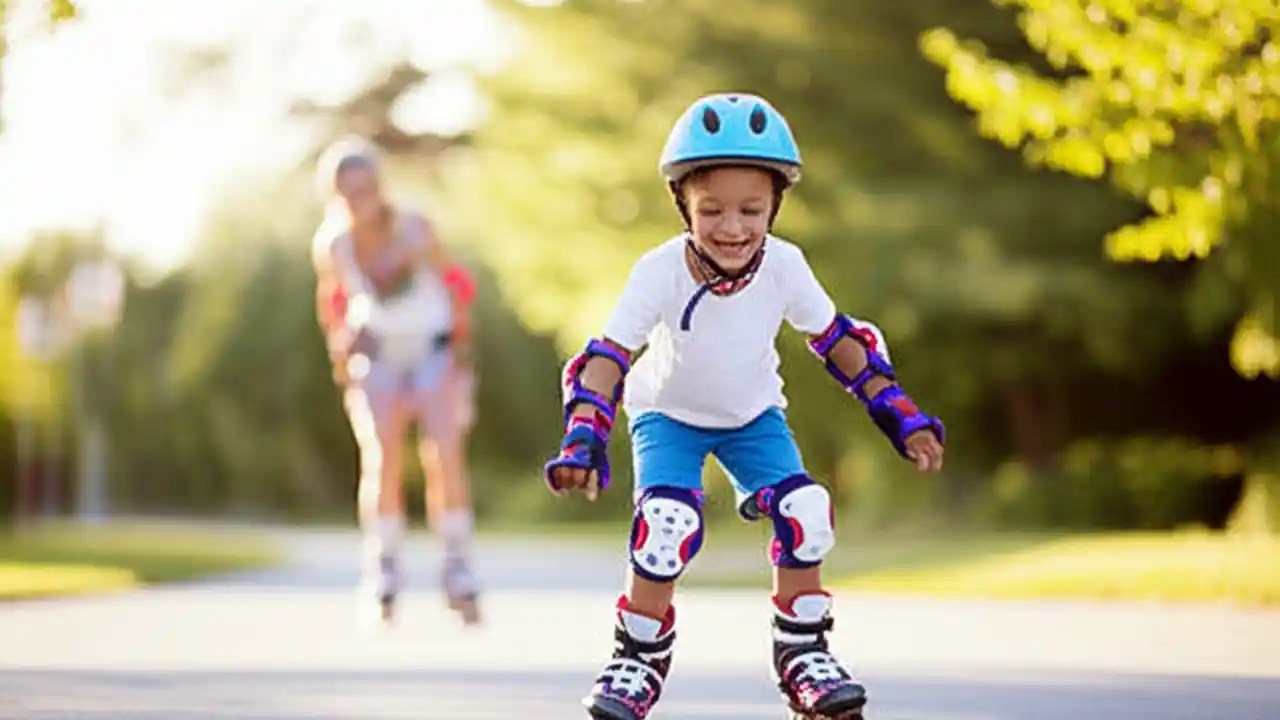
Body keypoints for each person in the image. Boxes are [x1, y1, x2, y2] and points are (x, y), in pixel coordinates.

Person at [544, 94, 945, 719]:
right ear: (684, 205)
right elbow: (609, 356)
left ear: (775, 206)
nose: (733, 227)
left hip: (754, 415)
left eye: (751, 210)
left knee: (806, 509)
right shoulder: (657, 271)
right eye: (713, 211)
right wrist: (582, 436)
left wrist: (896, 410)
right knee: (666, 526)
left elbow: (837, 340)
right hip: (668, 417)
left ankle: (803, 655)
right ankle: (636, 659)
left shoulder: (785, 265)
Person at [312, 136, 483, 626]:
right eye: (347, 191)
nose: (358, 199)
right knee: (382, 455)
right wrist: (341, 358)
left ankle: (456, 564)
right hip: (377, 356)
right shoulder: (334, 244)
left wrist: (463, 363)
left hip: (431, 352)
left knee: (444, 453)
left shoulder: (416, 226)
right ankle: (383, 567)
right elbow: (333, 302)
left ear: (379, 184)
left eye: (365, 187)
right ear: (334, 195)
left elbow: (456, 288)